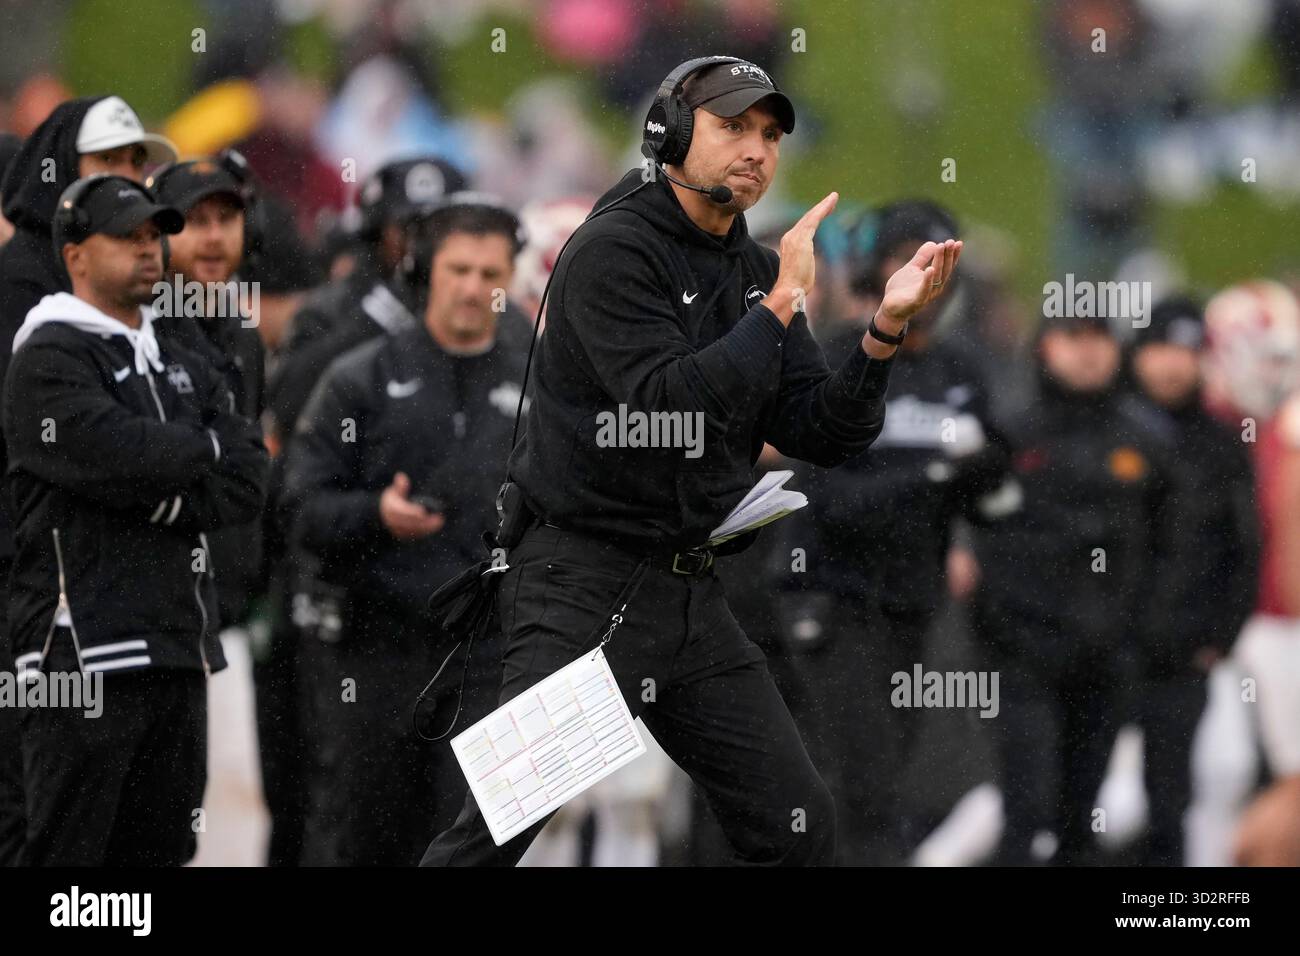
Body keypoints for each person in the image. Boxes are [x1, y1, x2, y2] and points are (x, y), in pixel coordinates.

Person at [420, 55, 961, 867]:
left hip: (688, 593)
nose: (757, 149)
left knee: (797, 824)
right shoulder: (614, 249)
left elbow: (823, 431)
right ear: (669, 133)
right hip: (584, 585)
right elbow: (667, 407)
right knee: (498, 829)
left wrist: (883, 332)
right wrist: (781, 305)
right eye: (733, 127)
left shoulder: (749, 268)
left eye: (770, 134)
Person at [3, 175, 268, 865]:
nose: (149, 250)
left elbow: (247, 477)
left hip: (178, 647)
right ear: (76, 256)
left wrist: (168, 474)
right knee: (71, 861)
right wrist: (198, 453)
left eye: (154, 236)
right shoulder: (49, 354)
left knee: (161, 859)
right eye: (127, 237)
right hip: (82, 651)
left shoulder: (181, 353)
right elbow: (108, 451)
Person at [282, 195, 529, 865]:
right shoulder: (362, 378)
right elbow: (300, 509)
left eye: (489, 272)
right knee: (361, 840)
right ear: (427, 271)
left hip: (488, 658)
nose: (474, 288)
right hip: (375, 652)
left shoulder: (539, 382)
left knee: (471, 845)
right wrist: (374, 517)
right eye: (458, 270)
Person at [774, 200, 1008, 864]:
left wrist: (987, 470)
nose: (922, 277)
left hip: (913, 600)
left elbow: (994, 499)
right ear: (874, 267)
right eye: (905, 258)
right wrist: (937, 472)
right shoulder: (842, 355)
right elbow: (828, 498)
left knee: (893, 783)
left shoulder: (961, 368)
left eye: (936, 262)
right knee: (856, 788)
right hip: (834, 597)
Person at [0, 95, 176, 867]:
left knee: (139, 843)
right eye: (110, 163)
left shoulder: (148, 296)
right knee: (35, 823)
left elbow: (223, 456)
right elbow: (96, 450)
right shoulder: (19, 291)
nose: (131, 178)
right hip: (32, 600)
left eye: (139, 163)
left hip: (138, 609)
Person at [970, 309, 1181, 865]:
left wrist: (1139, 630)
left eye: (1100, 338)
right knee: (1027, 806)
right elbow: (977, 531)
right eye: (1073, 337)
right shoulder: (1011, 432)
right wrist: (1004, 625)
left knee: (1083, 816)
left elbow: (1171, 546)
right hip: (1024, 655)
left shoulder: (1147, 438)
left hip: (1107, 656)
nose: (1088, 352)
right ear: (1046, 347)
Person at [1125, 295, 1258, 866]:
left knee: (1170, 800)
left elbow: (1244, 549)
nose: (1173, 364)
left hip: (1181, 657)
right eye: (1161, 348)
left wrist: (1217, 640)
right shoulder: (1107, 427)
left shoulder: (1223, 445)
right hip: (1095, 652)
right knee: (1067, 798)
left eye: (1186, 350)